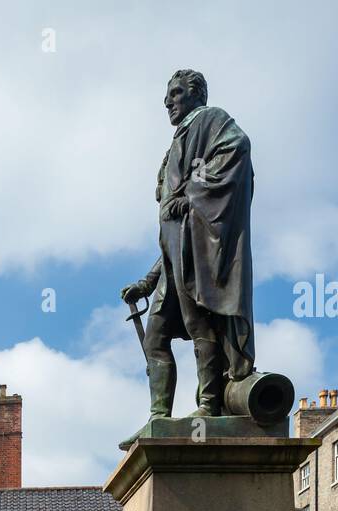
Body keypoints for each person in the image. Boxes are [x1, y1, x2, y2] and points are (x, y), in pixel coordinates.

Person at [120, 68, 255, 433]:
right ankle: (158, 417)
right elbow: (170, 235)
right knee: (155, 338)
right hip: (174, 258)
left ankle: (209, 406)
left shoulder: (212, 121)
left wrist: (189, 193)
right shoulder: (174, 146)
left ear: (196, 94)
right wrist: (148, 283)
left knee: (201, 327)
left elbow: (237, 147)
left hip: (199, 254)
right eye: (167, 95)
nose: (168, 101)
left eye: (176, 93)